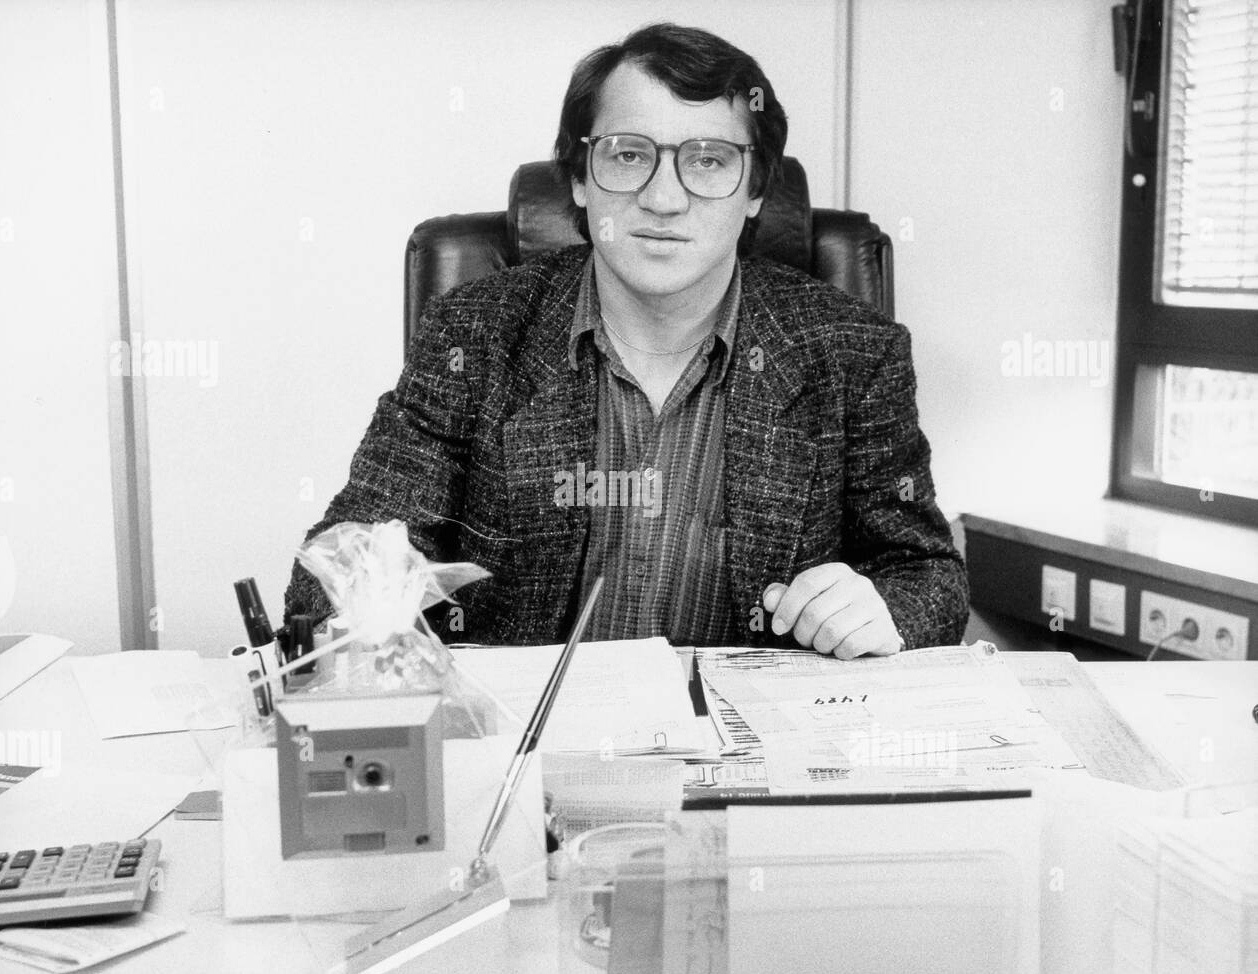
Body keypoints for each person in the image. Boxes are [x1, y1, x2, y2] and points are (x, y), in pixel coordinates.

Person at [283, 22, 968, 657]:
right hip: (530, 747)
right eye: (628, 154)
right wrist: (364, 601)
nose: (664, 199)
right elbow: (341, 563)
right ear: (579, 180)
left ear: (757, 189)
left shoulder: (855, 351)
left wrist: (885, 608)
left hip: (750, 762)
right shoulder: (474, 334)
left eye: (707, 160)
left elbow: (927, 572)